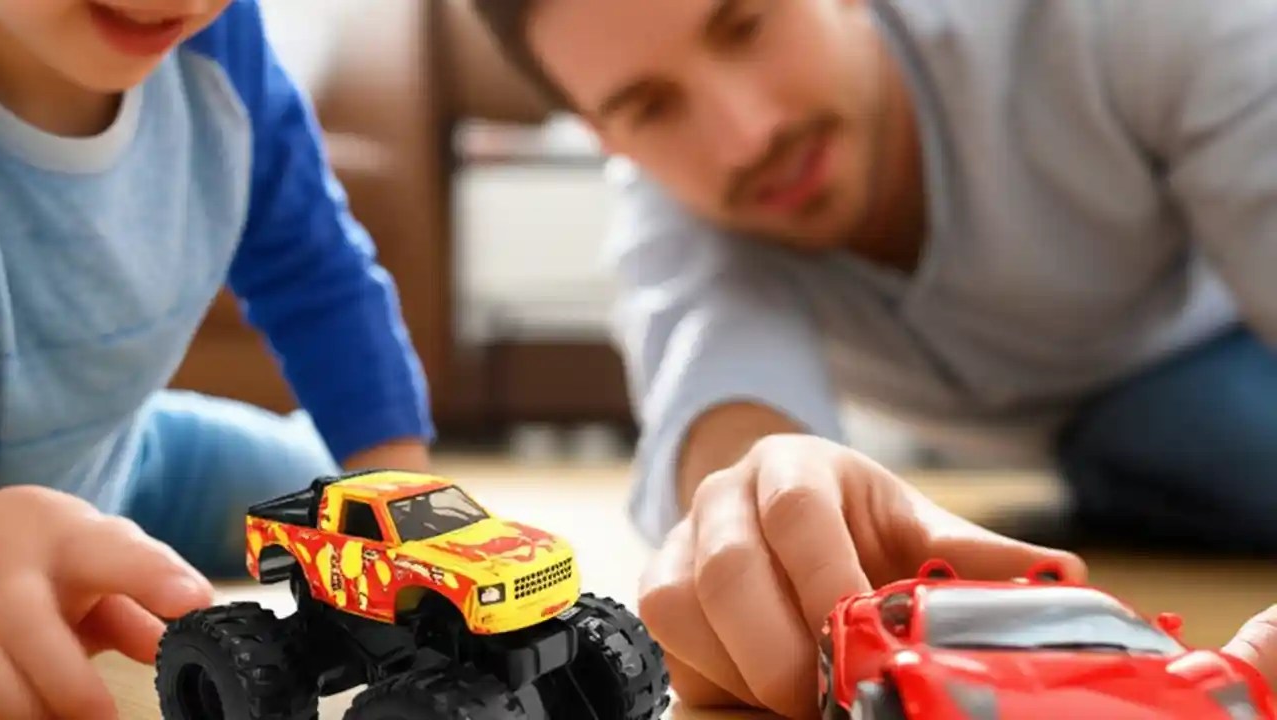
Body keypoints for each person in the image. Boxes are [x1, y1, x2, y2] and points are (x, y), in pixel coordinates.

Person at [472, 0, 1277, 715]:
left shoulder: (1141, 20)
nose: (746, 132)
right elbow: (721, 406)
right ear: (607, 138)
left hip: (1225, 359)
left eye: (747, 24)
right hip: (1115, 448)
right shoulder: (673, 208)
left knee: (1184, 427)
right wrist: (758, 502)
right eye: (649, 108)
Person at [0, 0, 434, 716]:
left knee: (329, 498)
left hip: (122, 458)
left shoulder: (223, 50)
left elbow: (317, 271)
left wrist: (404, 500)